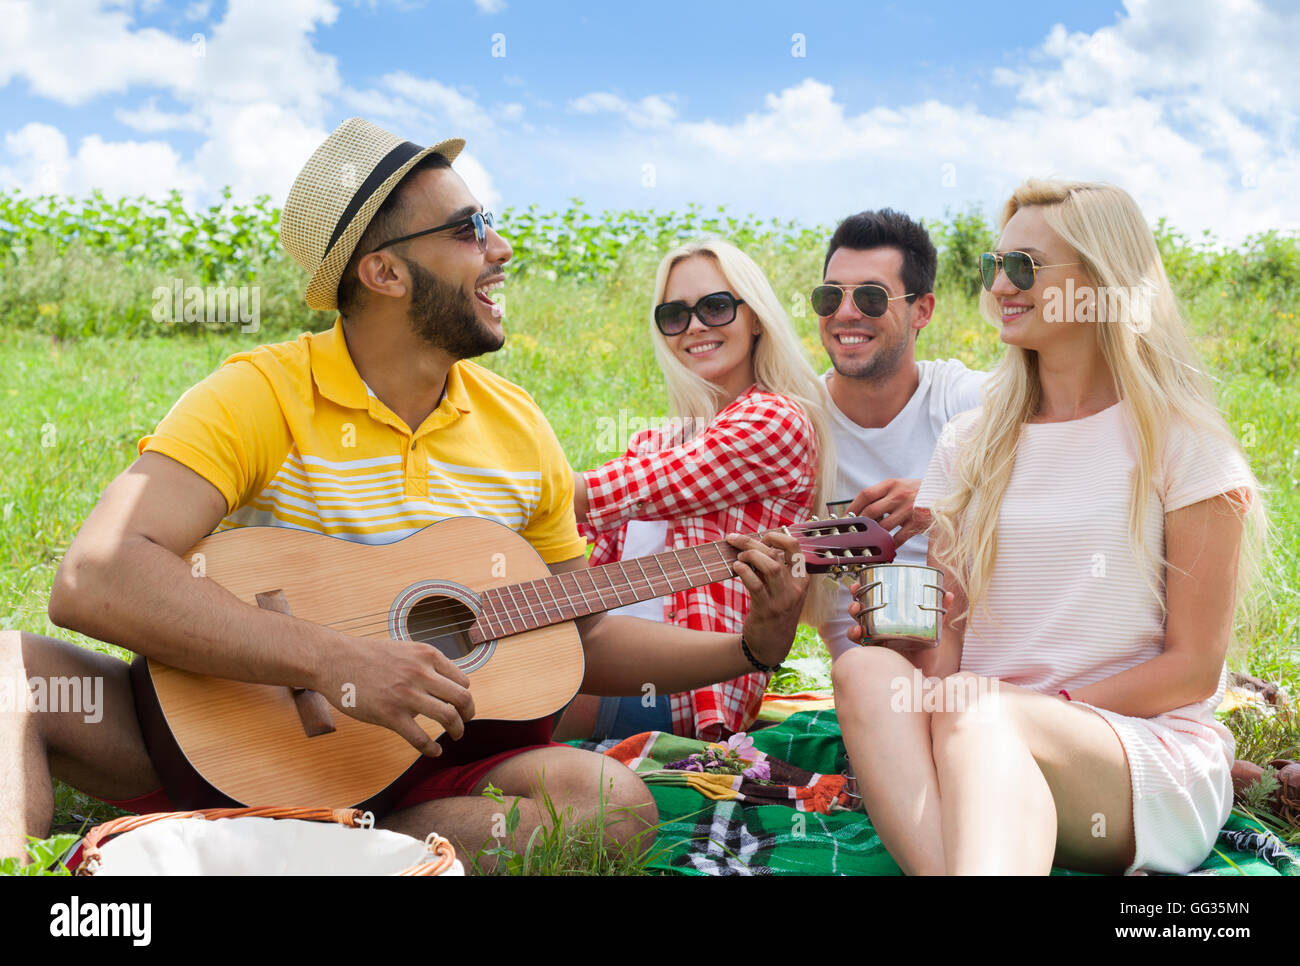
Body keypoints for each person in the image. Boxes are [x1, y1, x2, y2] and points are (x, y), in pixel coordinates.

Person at [0, 118, 809, 868]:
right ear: (383, 271)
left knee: (611, 808)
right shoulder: (258, 393)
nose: (502, 248)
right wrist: (334, 658)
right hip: (203, 745)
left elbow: (581, 634)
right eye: (468, 230)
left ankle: (305, 845)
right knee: (10, 671)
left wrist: (748, 651)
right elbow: (94, 578)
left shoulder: (519, 424)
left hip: (424, 778)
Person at [832, 179, 1264, 875]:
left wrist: (1020, 707)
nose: (1000, 284)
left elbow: (1193, 668)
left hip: (1128, 755)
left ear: (1099, 282)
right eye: (994, 266)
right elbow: (950, 651)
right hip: (975, 736)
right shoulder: (970, 444)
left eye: (1025, 267)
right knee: (864, 671)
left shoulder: (1184, 443)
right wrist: (910, 639)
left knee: (982, 715)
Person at [555, 239, 836, 742]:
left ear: (755, 318)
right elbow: (570, 531)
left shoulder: (775, 419)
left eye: (715, 306)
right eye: (675, 315)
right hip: (600, 653)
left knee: (509, 699)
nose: (695, 326)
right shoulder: (657, 441)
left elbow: (600, 494)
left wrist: (494, 475)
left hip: (689, 688)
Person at [811, 210, 986, 659]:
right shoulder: (799, 422)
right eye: (830, 297)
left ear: (921, 310)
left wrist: (944, 498)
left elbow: (1078, 450)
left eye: (871, 297)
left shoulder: (960, 398)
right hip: (865, 683)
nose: (845, 313)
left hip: (982, 675)